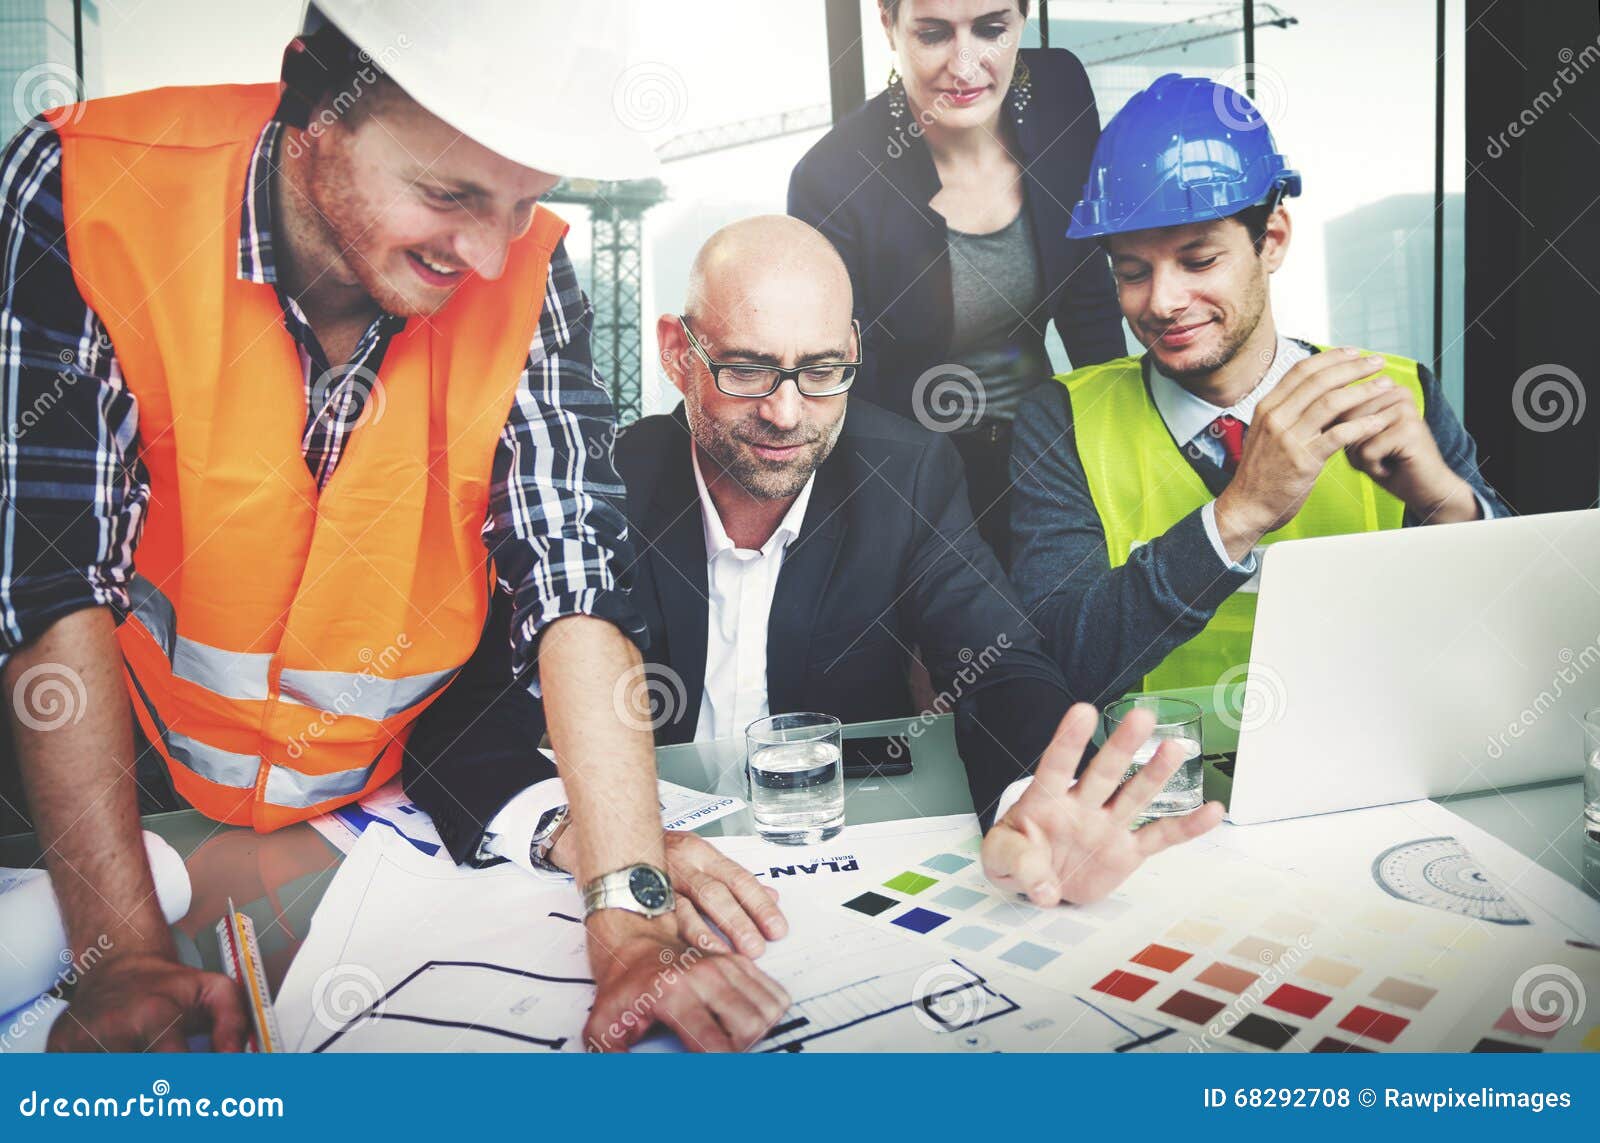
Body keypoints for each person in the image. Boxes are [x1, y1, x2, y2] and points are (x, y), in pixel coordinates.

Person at [0, 2, 784, 1054]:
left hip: (389, 812)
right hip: (136, 787)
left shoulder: (528, 274)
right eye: (447, 195)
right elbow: (50, 574)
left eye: (523, 203)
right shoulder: (89, 191)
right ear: (315, 104)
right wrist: (122, 958)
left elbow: (575, 579)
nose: (490, 256)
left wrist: (631, 920)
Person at [409, 216, 1223, 999]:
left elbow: (1000, 664)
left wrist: (1027, 803)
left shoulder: (907, 472)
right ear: (677, 354)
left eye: (822, 370)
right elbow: (458, 730)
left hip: (839, 896)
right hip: (650, 894)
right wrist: (602, 844)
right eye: (747, 369)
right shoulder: (599, 491)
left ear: (854, 352)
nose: (787, 412)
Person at [1009, 75, 1509, 703]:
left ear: (1271, 241)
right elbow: (1058, 664)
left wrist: (1446, 504)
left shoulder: (1397, 393)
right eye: (1132, 272)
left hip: (1367, 763)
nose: (1161, 302)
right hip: (1156, 767)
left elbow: (1513, 629)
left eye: (1199, 261)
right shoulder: (1062, 420)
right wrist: (1238, 515)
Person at [787, 0, 1124, 564]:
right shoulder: (833, 178)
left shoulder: (1060, 92)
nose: (965, 66)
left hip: (1050, 453)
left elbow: (1088, 297)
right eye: (934, 34)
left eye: (992, 29)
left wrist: (1118, 445)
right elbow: (845, 386)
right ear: (889, 25)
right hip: (913, 478)